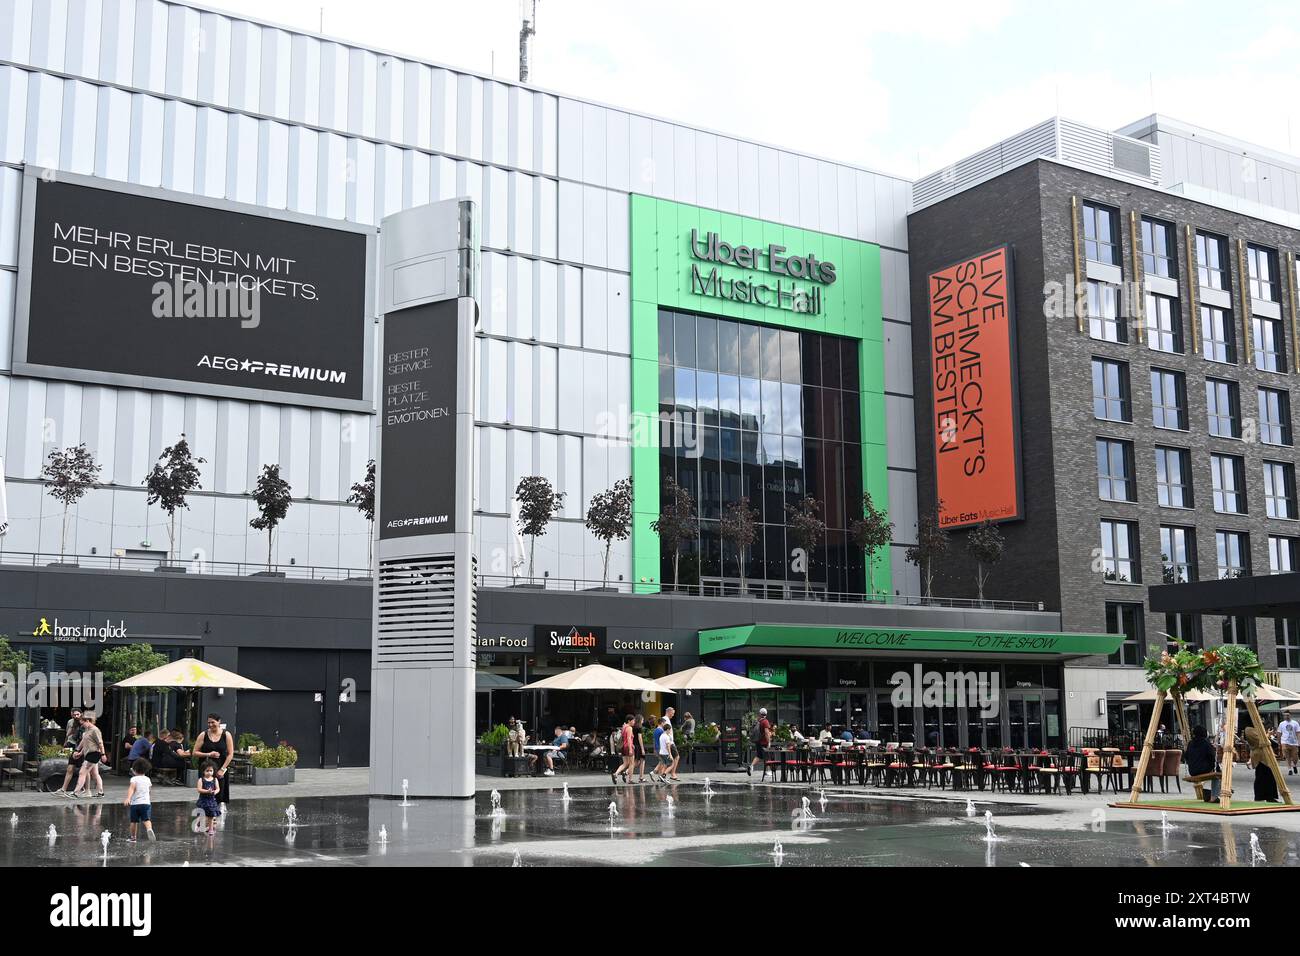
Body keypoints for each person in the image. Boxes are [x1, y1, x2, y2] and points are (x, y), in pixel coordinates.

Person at [193, 714, 234, 807]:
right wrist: (209, 754)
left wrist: (223, 769)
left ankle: (219, 809)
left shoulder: (226, 735)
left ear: (219, 721)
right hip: (206, 768)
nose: (210, 725)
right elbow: (195, 752)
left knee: (220, 790)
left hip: (221, 767)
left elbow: (230, 754)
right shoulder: (203, 735)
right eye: (208, 723)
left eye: (213, 722)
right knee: (206, 788)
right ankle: (206, 808)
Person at [69, 714, 108, 798]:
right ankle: (100, 792)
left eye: (82, 723)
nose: (82, 725)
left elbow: (100, 743)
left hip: (94, 754)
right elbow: (86, 743)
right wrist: (79, 752)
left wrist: (103, 754)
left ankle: (76, 792)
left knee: (82, 772)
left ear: (87, 721)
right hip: (90, 753)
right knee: (95, 774)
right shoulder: (87, 730)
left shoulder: (95, 730)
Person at [123, 758, 156, 842]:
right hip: (146, 803)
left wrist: (128, 798)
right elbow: (149, 791)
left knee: (133, 821)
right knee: (146, 819)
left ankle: (133, 837)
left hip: (135, 804)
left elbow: (132, 788)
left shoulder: (134, 779)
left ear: (134, 770)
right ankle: (149, 829)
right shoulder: (148, 779)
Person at [1185, 725, 1220, 803]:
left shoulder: (1190, 743)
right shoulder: (1206, 743)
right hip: (1204, 769)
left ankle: (1209, 793)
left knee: (1215, 774)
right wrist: (1215, 767)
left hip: (1193, 771)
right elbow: (1212, 757)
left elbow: (1186, 756)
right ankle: (1213, 797)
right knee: (1217, 776)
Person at [1244, 726, 1280, 802]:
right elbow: (1259, 742)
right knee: (1261, 777)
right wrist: (1268, 735)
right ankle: (1259, 797)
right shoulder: (1249, 730)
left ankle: (1270, 796)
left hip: (1265, 755)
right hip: (1260, 757)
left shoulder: (1256, 728)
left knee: (1269, 777)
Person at [53, 709, 85, 796]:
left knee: (86, 770)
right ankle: (63, 789)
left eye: (78, 715)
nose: (76, 716)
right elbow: (70, 736)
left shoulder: (85, 725)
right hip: (74, 747)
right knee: (70, 768)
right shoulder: (72, 723)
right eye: (74, 715)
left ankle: (86, 789)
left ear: (81, 715)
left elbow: (86, 740)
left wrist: (81, 751)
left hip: (82, 749)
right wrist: (66, 740)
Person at [195, 762, 222, 834]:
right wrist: (207, 791)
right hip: (203, 800)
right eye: (207, 771)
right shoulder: (201, 780)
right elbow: (199, 789)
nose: (209, 773)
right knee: (202, 814)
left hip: (211, 801)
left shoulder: (215, 779)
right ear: (203, 771)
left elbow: (218, 788)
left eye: (211, 771)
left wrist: (216, 791)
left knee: (211, 815)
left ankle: (210, 829)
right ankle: (198, 825)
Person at [611, 714, 635, 785]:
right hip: (628, 746)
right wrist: (630, 749)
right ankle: (630, 779)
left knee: (625, 763)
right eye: (633, 720)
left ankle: (615, 774)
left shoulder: (624, 727)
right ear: (629, 721)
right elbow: (629, 739)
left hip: (623, 747)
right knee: (631, 764)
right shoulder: (629, 728)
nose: (634, 722)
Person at [748, 708, 771, 776]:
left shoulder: (758, 721)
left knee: (759, 756)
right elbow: (766, 732)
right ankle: (768, 771)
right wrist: (769, 742)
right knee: (767, 757)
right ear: (766, 714)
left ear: (760, 714)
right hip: (764, 742)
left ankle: (751, 766)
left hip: (757, 741)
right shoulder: (765, 721)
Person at [632, 714, 647, 783]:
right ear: (640, 720)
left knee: (637, 761)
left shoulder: (633, 727)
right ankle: (641, 777)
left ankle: (626, 772)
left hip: (634, 745)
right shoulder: (639, 728)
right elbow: (640, 738)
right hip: (638, 746)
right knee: (642, 761)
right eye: (643, 720)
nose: (643, 721)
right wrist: (642, 748)